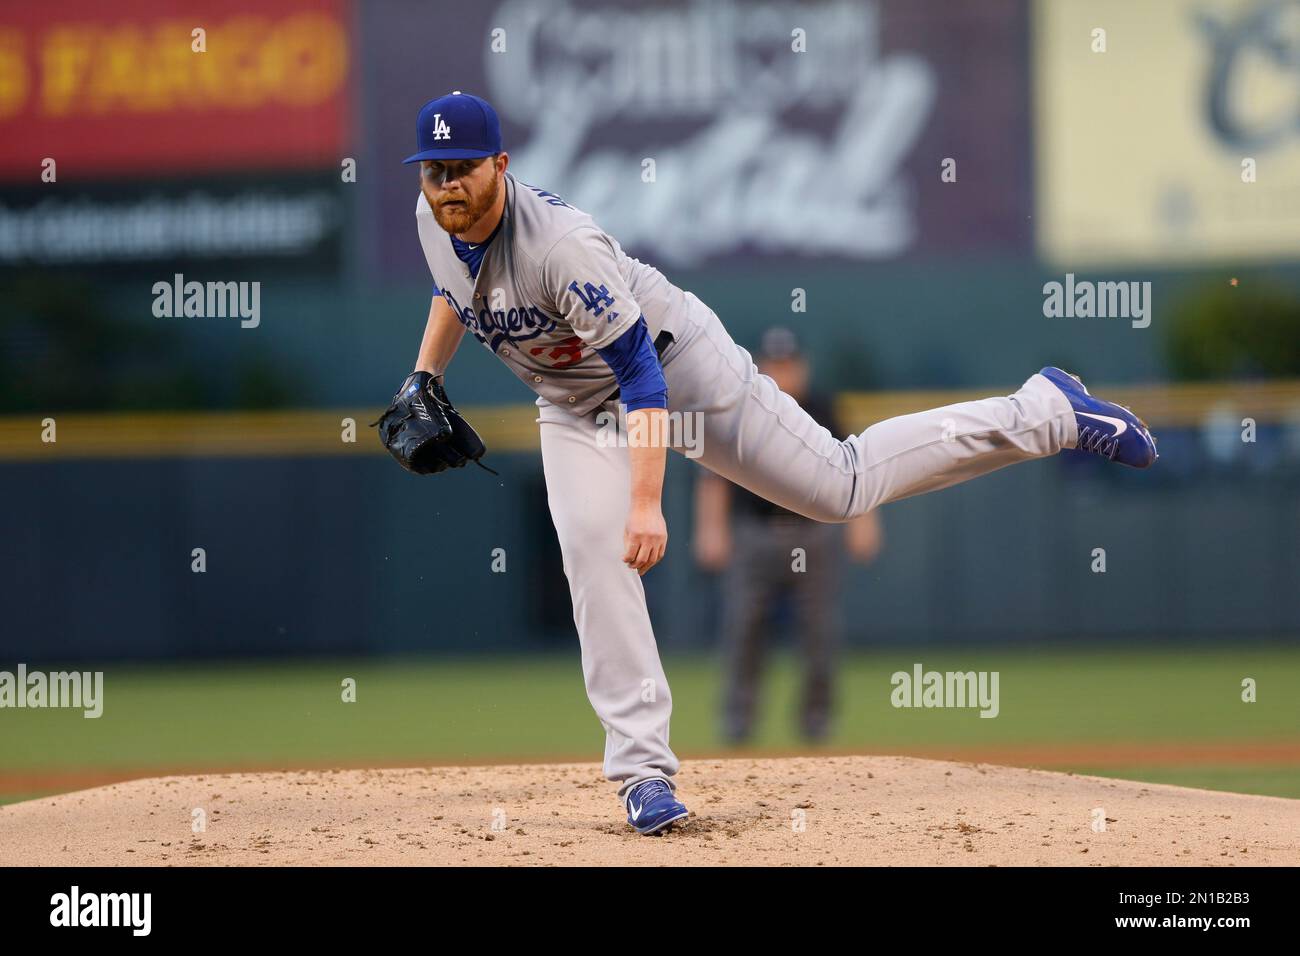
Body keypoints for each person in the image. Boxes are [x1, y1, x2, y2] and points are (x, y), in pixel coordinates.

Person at [380, 91, 1157, 836]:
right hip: (575, 406)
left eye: (464, 168)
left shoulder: (558, 245)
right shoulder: (433, 217)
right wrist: (425, 377)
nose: (447, 184)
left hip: (679, 371)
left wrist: (647, 503)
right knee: (590, 549)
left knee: (840, 485)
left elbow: (643, 377)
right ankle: (644, 774)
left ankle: (1049, 410)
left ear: (502, 164)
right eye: (435, 170)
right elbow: (457, 292)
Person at [693, 327, 882, 745]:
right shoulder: (742, 409)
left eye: (789, 364)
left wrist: (864, 524)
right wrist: (711, 530)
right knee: (743, 628)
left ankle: (817, 722)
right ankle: (738, 723)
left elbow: (856, 469)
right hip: (755, 535)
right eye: (775, 364)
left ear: (803, 366)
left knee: (819, 633)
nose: (784, 371)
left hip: (813, 536)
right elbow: (714, 476)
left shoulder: (822, 408)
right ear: (761, 368)